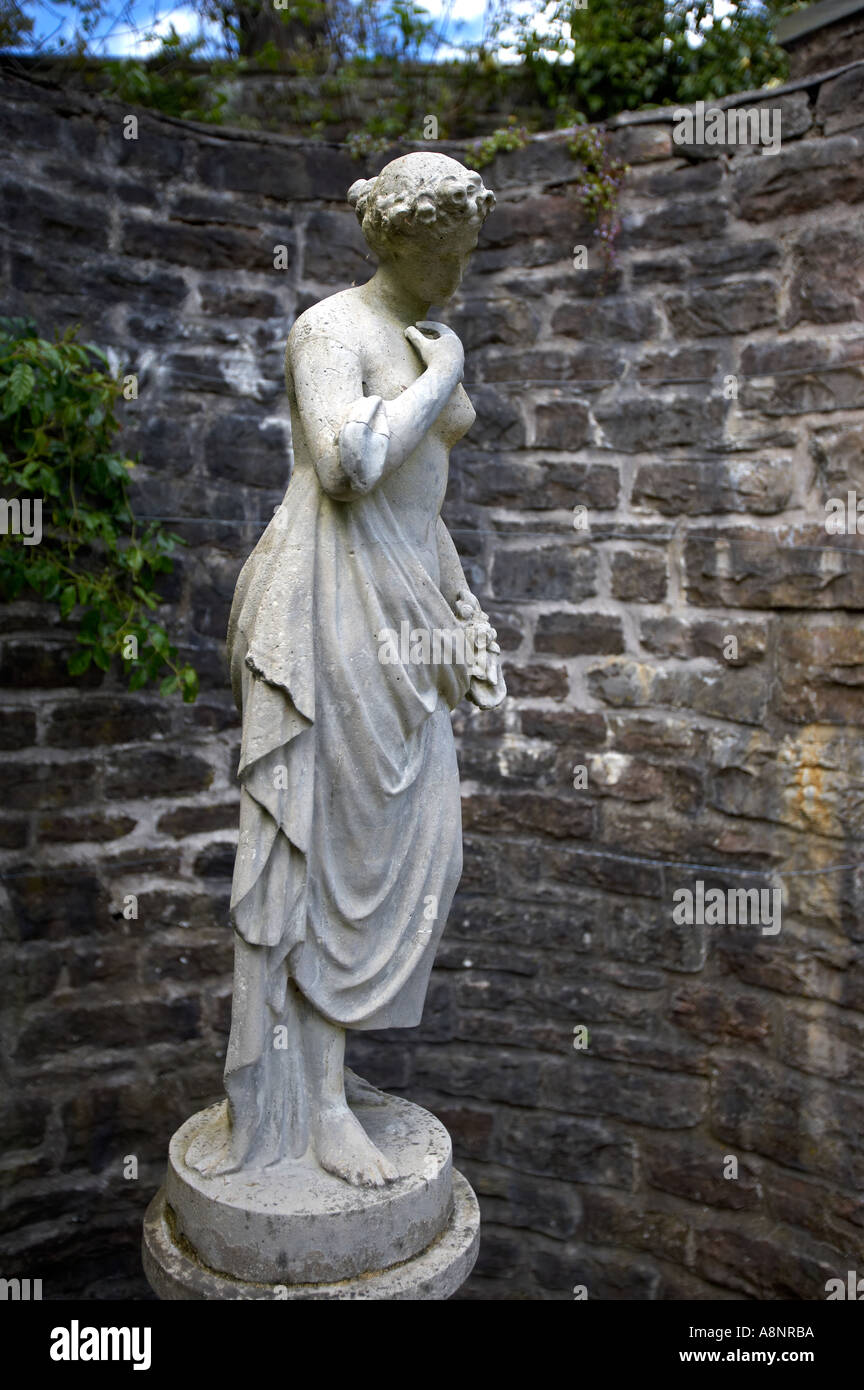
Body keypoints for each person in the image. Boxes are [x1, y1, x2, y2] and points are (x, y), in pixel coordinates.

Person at [199, 153, 506, 1187]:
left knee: (420, 846)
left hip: (404, 603)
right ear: (403, 241)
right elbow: (347, 467)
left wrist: (460, 607)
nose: (461, 266)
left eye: (467, 246)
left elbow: (420, 500)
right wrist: (447, 377)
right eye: (449, 248)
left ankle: (327, 1071)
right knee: (332, 845)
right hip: (327, 607)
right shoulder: (330, 330)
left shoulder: (420, 335)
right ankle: (316, 1101)